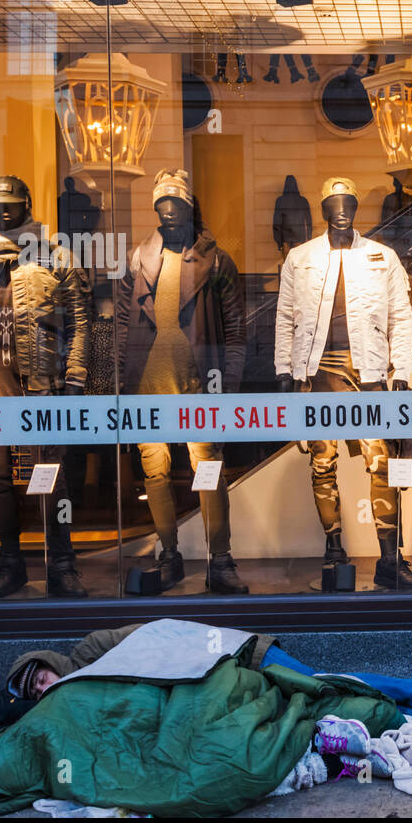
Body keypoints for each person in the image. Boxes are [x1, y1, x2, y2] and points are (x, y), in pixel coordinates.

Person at [275, 176, 412, 590]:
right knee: (322, 461)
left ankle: (390, 558)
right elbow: (285, 316)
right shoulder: (300, 257)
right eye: (334, 203)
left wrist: (402, 371)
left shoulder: (382, 256)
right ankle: (334, 551)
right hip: (318, 371)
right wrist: (284, 371)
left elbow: (401, 314)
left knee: (380, 460)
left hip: (369, 372)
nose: (342, 209)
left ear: (357, 208)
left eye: (349, 202)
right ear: (322, 209)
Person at [0, 175, 91, 598]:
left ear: (27, 202)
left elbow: (81, 321)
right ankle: (10, 563)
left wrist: (77, 377)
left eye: (10, 203)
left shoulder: (55, 255)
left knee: (50, 473)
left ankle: (62, 564)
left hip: (41, 378)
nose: (2, 210)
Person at [2, 623, 412, 744]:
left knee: (323, 686)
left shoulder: (90, 654)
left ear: (50, 662)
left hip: (239, 658)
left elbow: (165, 638)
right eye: (37, 692)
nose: (46, 687)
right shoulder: (83, 699)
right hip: (227, 685)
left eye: (42, 676)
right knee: (326, 707)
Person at [115, 169, 249, 594]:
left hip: (199, 381)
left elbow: (235, 330)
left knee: (207, 467)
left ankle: (220, 559)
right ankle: (168, 552)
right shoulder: (139, 258)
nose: (169, 218)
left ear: (190, 209)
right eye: (162, 212)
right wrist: (119, 382)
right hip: (148, 380)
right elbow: (121, 323)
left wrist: (228, 384)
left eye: (177, 211)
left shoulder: (217, 259)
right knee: (154, 469)